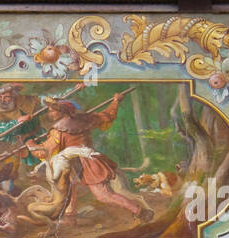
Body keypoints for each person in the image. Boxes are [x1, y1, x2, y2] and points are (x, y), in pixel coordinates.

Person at [24, 92, 152, 224]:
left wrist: (29, 143)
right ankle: (70, 213)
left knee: (104, 196)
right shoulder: (84, 119)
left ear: (62, 111)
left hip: (86, 164)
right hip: (80, 162)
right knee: (68, 183)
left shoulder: (58, 130)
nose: (49, 114)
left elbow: (43, 152)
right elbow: (107, 116)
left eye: (52, 111)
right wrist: (115, 102)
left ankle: (140, 211)